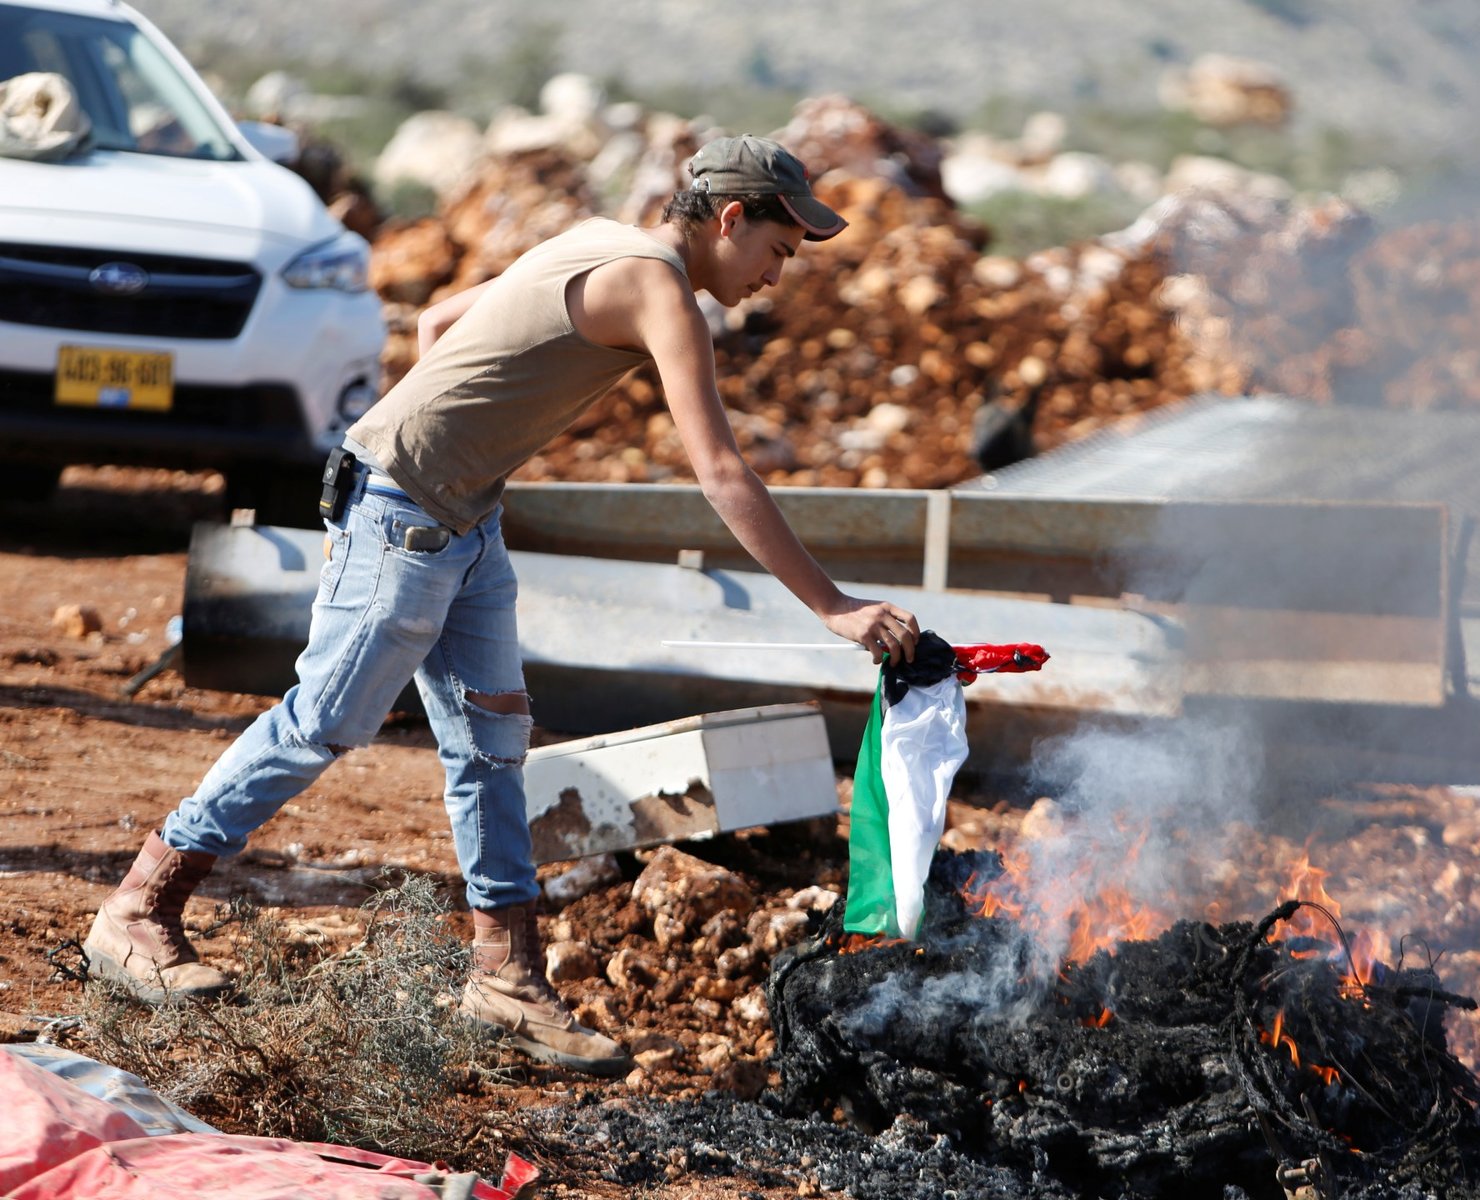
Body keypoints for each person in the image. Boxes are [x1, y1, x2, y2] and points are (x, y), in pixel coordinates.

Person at [83, 134, 922, 1077]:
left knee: (491, 741)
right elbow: (721, 474)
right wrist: (835, 607)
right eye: (780, 248)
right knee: (323, 719)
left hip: (454, 517)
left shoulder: (599, 237)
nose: (779, 272)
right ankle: (138, 909)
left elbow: (442, 323)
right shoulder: (659, 292)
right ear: (732, 219)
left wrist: (459, 455)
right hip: (407, 515)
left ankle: (506, 977)